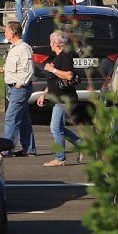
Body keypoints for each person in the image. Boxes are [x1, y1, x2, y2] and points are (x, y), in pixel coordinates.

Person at [35, 31, 82, 167]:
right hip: (59, 98)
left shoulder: (65, 57)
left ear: (56, 43)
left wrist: (52, 70)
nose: (50, 44)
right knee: (59, 128)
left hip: (64, 99)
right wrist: (44, 94)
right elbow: (54, 81)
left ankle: (60, 158)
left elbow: (69, 76)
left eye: (51, 41)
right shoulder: (58, 57)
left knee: (55, 128)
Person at [0, 21, 36, 157]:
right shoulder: (13, 48)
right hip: (13, 88)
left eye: (6, 31)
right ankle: (29, 149)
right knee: (23, 120)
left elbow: (28, 70)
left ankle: (6, 149)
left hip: (19, 89)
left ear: (13, 33)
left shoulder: (24, 48)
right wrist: (3, 69)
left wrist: (19, 85)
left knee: (10, 119)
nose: (4, 33)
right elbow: (16, 66)